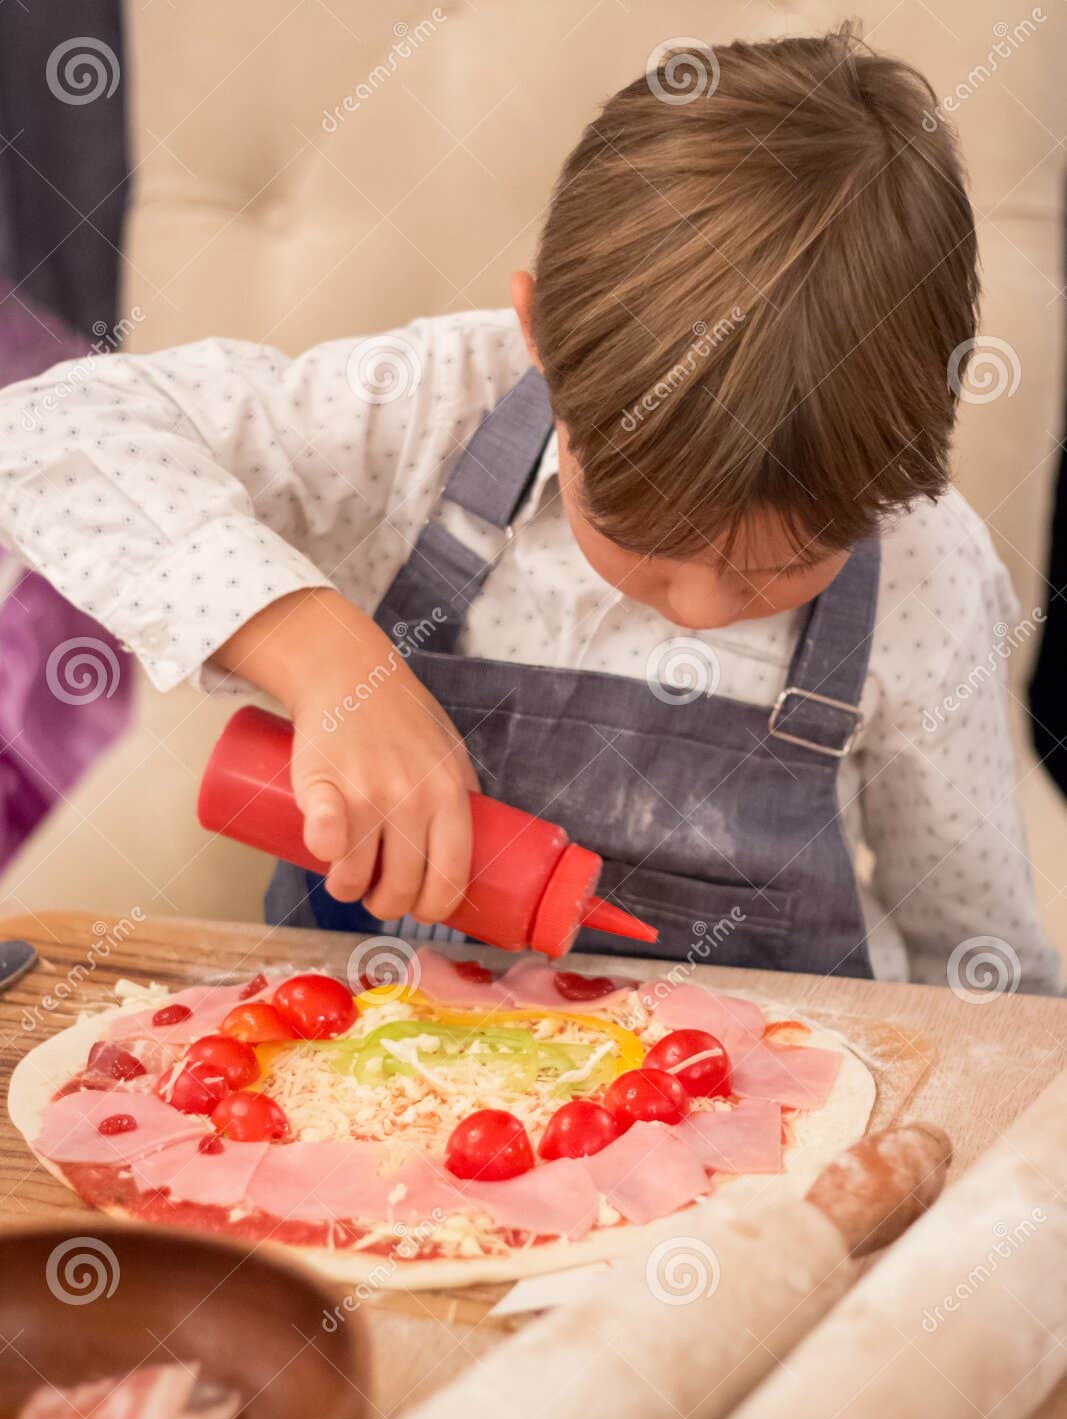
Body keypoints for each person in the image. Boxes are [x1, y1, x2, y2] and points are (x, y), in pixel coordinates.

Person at [0, 28, 1058, 988]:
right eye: (641, 535)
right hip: (386, 1088)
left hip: (773, 1118)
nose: (695, 606)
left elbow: (976, 955)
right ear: (539, 338)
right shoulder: (429, 413)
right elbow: (44, 434)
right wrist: (323, 654)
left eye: (780, 565)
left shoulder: (926, 572)